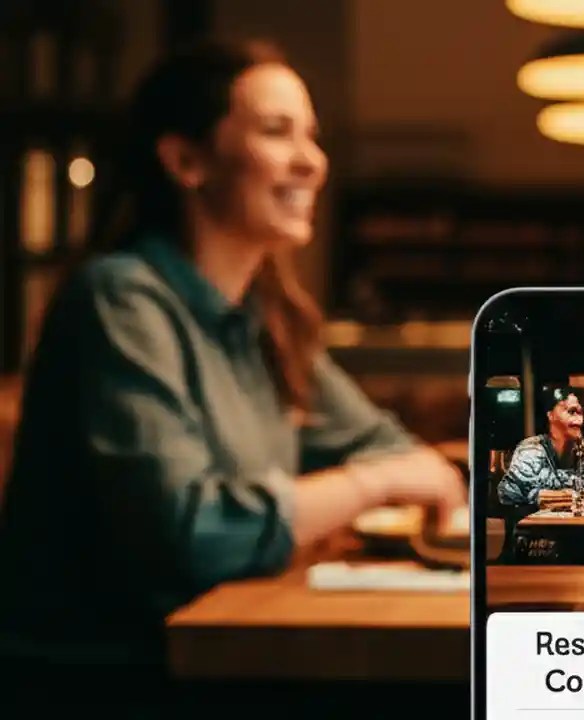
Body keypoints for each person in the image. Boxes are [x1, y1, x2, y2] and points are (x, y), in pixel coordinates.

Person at [0, 39, 466, 695]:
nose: (313, 161)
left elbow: (383, 444)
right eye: (278, 132)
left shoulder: (261, 320)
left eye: (312, 135)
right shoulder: (121, 299)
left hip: (212, 660)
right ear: (186, 160)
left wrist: (420, 471)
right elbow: (191, 539)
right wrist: (377, 483)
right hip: (101, 677)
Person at [497, 386, 584, 506]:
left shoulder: (576, 449)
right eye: (571, 412)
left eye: (580, 413)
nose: (579, 420)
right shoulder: (530, 449)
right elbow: (537, 493)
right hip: (522, 518)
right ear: (550, 415)